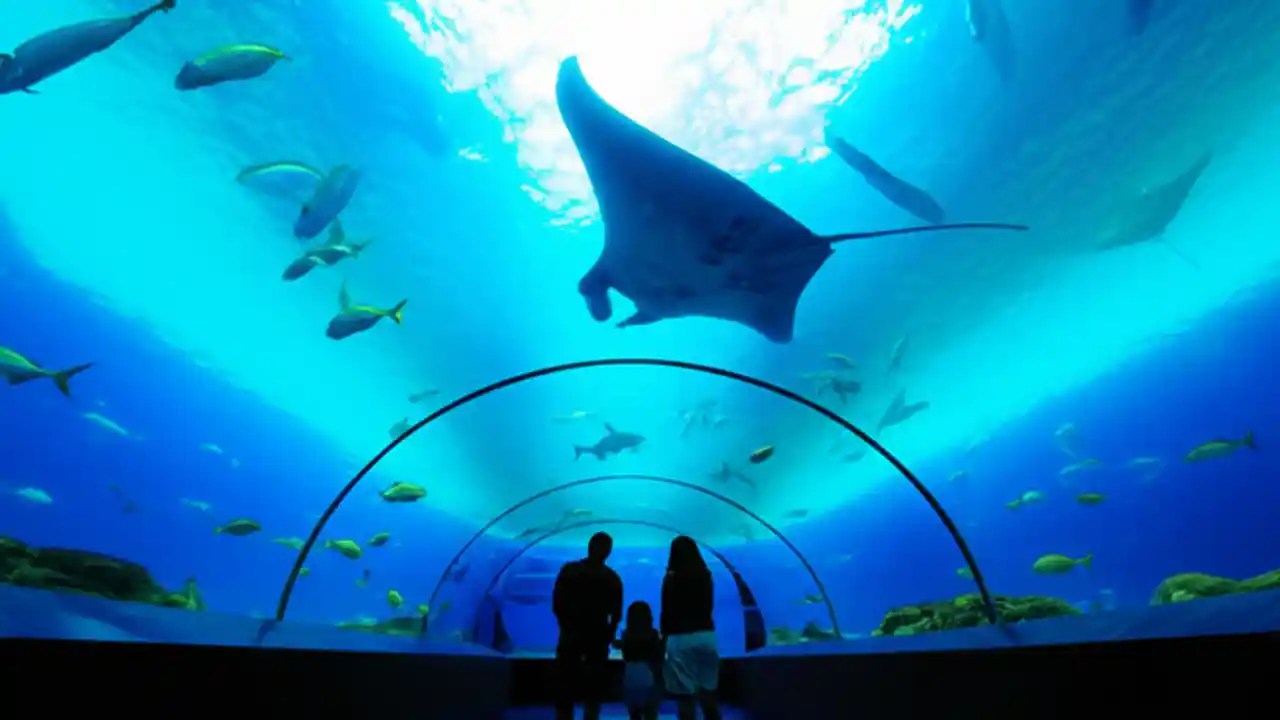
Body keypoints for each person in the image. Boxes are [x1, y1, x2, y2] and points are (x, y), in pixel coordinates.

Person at [552, 531, 623, 720]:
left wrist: (565, 626)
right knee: (592, 689)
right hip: (596, 638)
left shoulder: (570, 570)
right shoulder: (611, 577)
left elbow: (557, 603)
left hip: (572, 635)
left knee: (566, 686)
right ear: (608, 551)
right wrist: (609, 634)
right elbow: (616, 613)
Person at [661, 536, 722, 720]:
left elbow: (667, 611)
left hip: (680, 639)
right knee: (709, 697)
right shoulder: (706, 575)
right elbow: (709, 606)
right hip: (707, 636)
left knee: (685, 700)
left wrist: (663, 640)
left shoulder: (671, 578)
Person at [612, 601, 664, 720]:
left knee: (634, 715)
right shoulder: (653, 635)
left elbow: (616, 645)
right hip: (649, 683)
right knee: (651, 714)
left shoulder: (626, 635)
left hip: (630, 681)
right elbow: (659, 660)